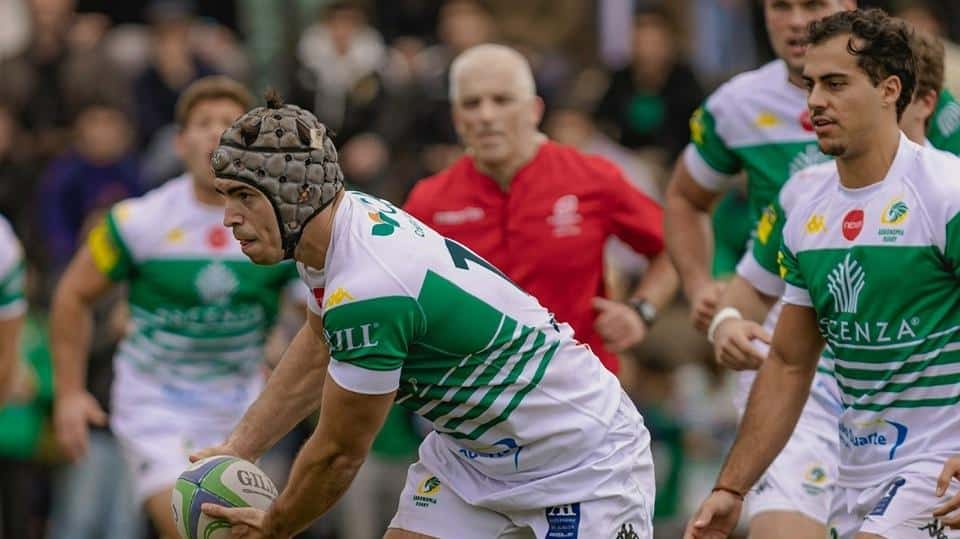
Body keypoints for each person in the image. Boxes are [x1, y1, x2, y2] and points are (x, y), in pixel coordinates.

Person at [193, 92, 656, 538]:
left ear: (303, 192)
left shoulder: (368, 289)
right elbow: (317, 345)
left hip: (579, 455)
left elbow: (338, 454)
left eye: (245, 196)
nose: (229, 216)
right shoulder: (336, 228)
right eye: (226, 196)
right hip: (471, 456)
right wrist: (240, 448)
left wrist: (276, 526)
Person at [686, 9, 960, 539]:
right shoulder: (807, 209)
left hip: (939, 465)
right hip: (855, 473)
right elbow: (789, 363)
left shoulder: (946, 193)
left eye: (835, 84)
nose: (814, 101)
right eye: (810, 84)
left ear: (890, 90)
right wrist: (732, 487)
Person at [49, 76, 305, 539]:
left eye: (229, 124)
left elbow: (320, 315)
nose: (214, 132)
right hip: (155, 405)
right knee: (189, 526)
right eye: (202, 123)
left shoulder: (282, 226)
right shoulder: (135, 222)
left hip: (245, 406)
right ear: (180, 141)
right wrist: (69, 393)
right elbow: (72, 296)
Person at [403, 44, 677, 375]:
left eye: (502, 100)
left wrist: (640, 311)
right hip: (472, 401)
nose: (487, 116)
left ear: (534, 110)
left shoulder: (591, 178)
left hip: (580, 388)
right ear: (457, 118)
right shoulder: (429, 202)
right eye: (472, 103)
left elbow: (673, 248)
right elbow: (397, 291)